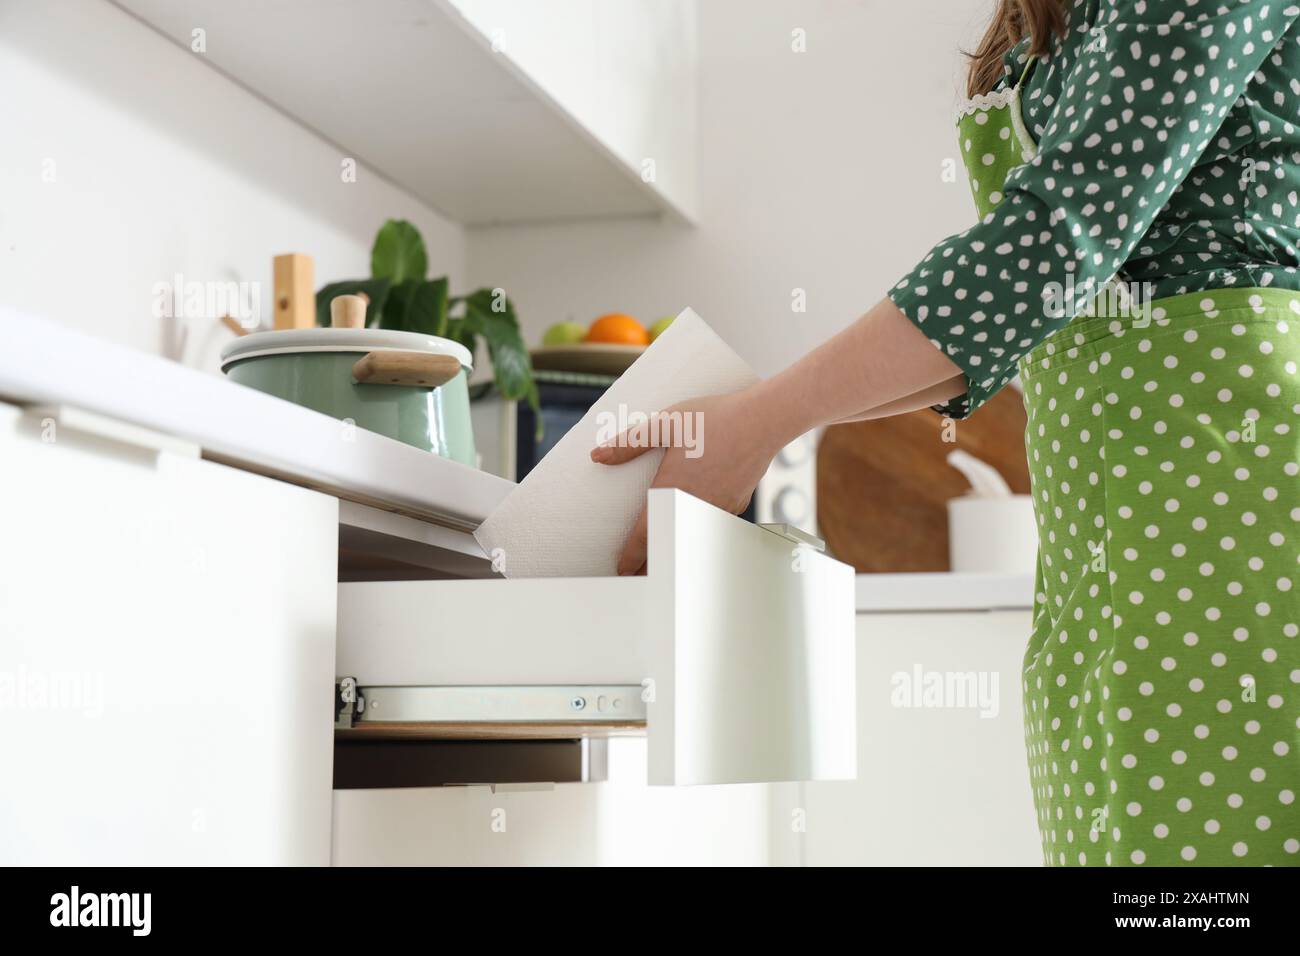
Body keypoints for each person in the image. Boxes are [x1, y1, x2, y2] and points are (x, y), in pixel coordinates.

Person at [592, 0, 1300, 866]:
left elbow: (1049, 245)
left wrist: (758, 423)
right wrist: (756, 424)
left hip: (1233, 497)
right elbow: (1016, 312)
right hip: (1105, 536)